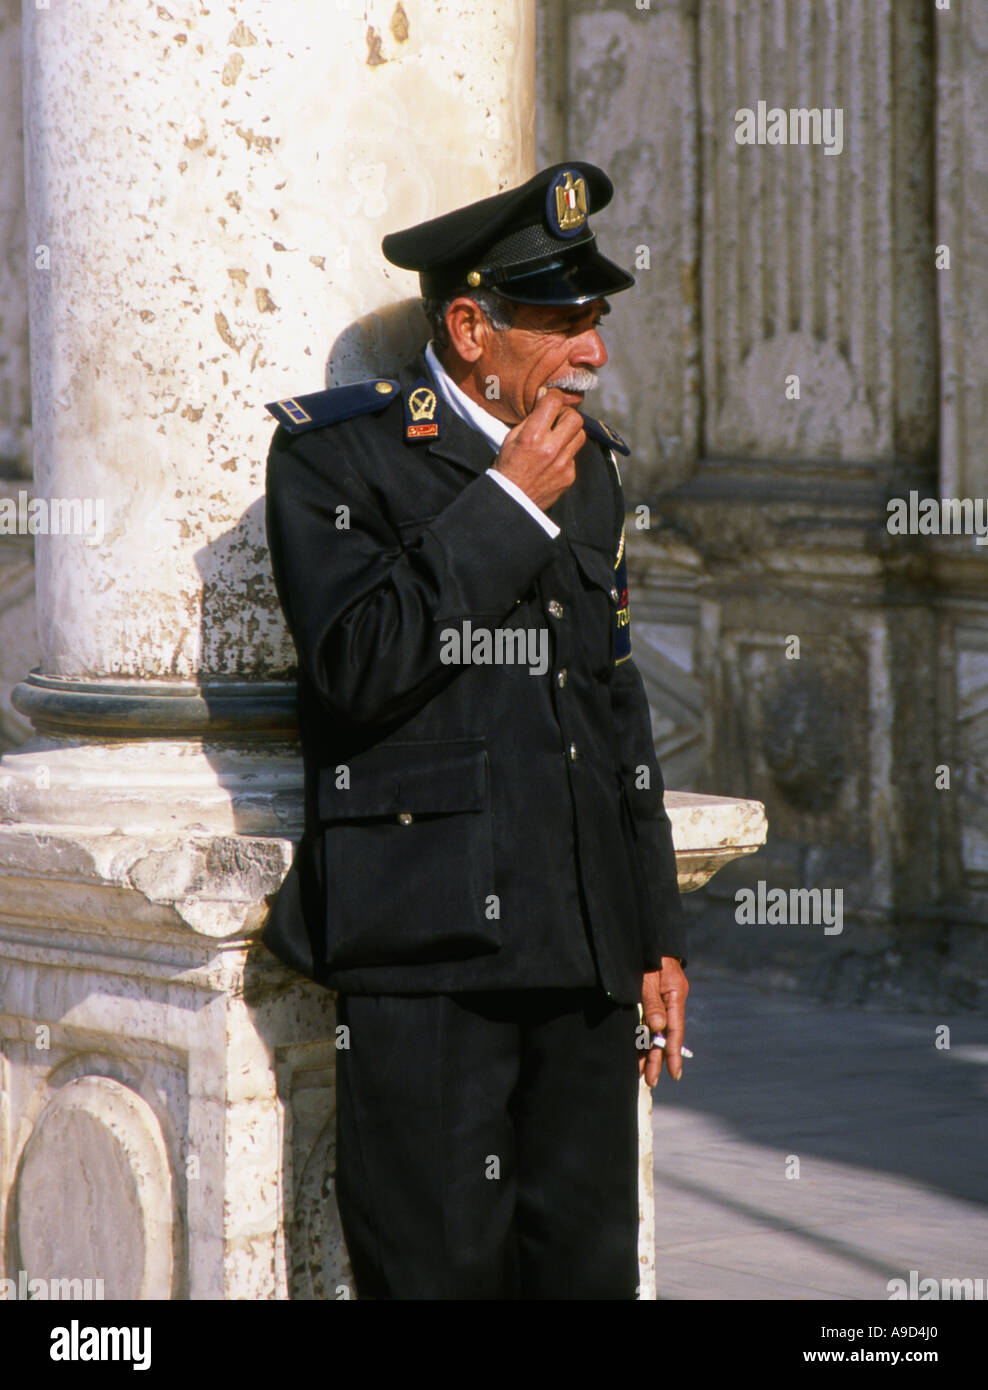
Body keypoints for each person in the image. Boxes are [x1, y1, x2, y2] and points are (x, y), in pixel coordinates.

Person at [262, 162, 689, 1300]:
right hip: (430, 952)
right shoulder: (334, 456)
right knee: (437, 1273)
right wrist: (501, 507)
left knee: (586, 1273)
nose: (593, 353)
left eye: (593, 321)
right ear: (467, 326)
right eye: (561, 324)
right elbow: (357, 667)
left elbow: (614, 705)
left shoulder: (590, 465)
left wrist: (653, 932)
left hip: (582, 951)